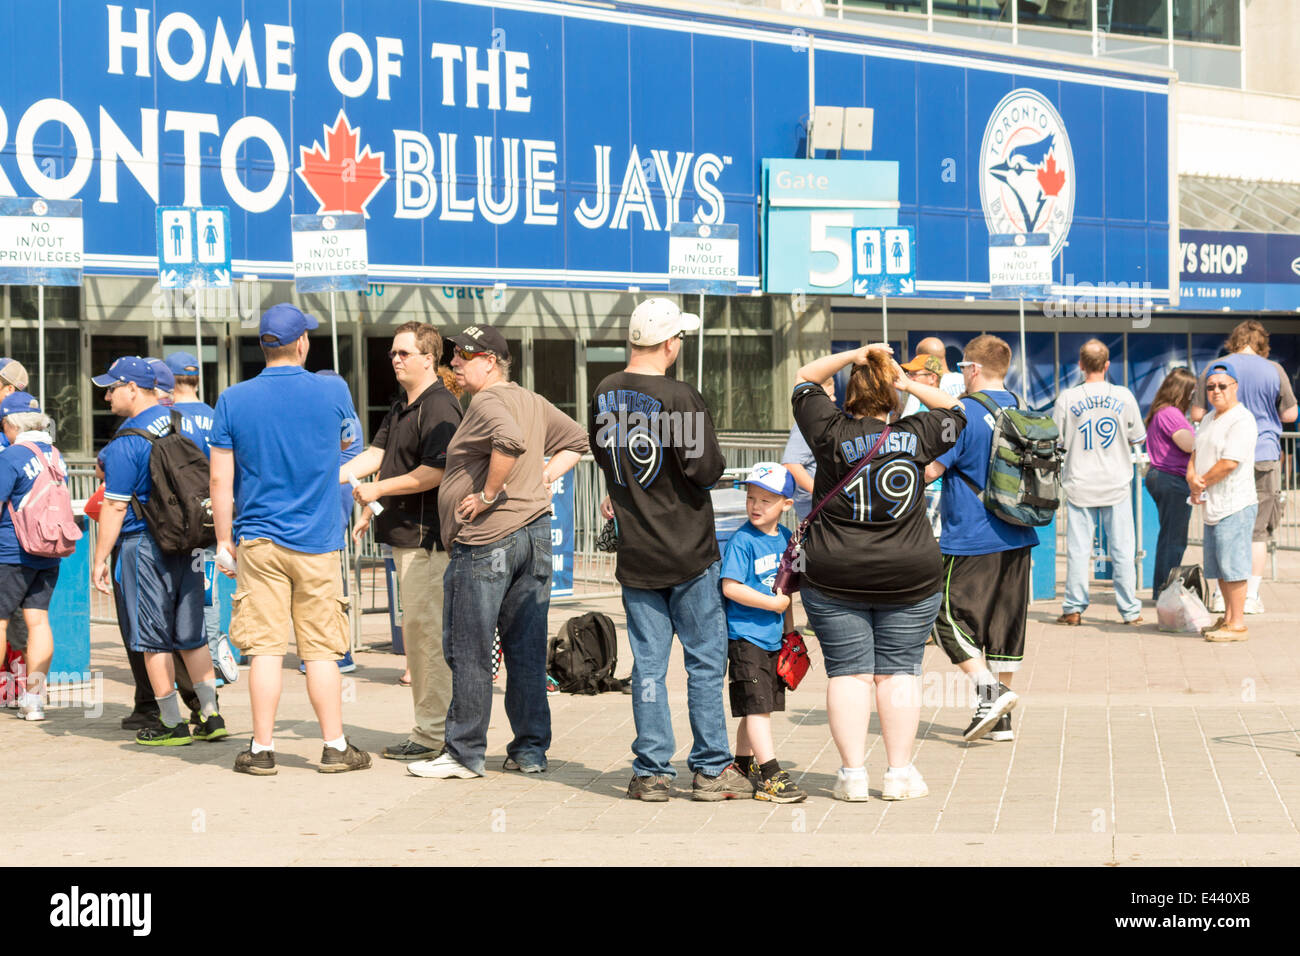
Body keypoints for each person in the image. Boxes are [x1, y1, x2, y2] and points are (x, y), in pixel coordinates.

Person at [406, 325, 587, 780]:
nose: (456, 363)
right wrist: (542, 479)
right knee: (524, 650)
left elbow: (511, 442)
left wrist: (488, 494)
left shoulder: (488, 401)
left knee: (468, 648)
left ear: (491, 361)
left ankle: (463, 753)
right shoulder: (529, 398)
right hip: (533, 536)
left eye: (465, 355)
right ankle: (529, 751)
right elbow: (577, 441)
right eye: (454, 355)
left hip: (489, 541)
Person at [589, 298, 748, 802]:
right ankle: (711, 769)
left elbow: (605, 457)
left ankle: (652, 771)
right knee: (704, 663)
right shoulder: (681, 397)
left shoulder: (606, 392)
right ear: (670, 343)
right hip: (688, 551)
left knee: (650, 667)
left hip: (636, 555)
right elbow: (706, 470)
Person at [793, 343, 964, 801]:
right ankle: (898, 773)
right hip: (909, 574)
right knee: (898, 674)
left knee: (848, 675)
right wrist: (906, 384)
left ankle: (852, 775)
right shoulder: (919, 431)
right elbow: (957, 407)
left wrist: (856, 354)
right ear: (891, 395)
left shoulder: (827, 429)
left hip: (833, 573)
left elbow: (805, 376)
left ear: (848, 391)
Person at [209, 304, 370, 775]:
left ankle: (261, 750)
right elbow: (348, 446)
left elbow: (220, 481)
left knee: (264, 649)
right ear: (302, 343)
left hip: (258, 540)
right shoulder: (331, 389)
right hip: (318, 539)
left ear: (263, 346)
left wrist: (223, 541)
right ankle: (335, 747)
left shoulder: (233, 399)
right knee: (320, 649)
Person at [90, 356, 223, 746]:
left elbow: (114, 506)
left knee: (152, 638)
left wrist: (100, 558)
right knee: (193, 635)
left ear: (133, 388)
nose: (107, 397)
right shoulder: (183, 425)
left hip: (144, 545)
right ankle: (210, 714)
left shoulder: (125, 442)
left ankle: (170, 722)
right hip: (187, 542)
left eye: (112, 389)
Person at [348, 322, 463, 762]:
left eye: (404, 353)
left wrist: (378, 491)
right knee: (417, 637)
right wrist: (330, 478)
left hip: (428, 542)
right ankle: (432, 730)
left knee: (426, 638)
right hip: (406, 540)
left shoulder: (440, 407)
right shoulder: (402, 404)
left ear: (428, 358)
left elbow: (435, 471)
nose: (395, 360)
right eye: (393, 353)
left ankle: (433, 735)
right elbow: (377, 455)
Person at [925, 335, 1035, 744]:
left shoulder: (964, 413)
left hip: (970, 536)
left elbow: (931, 472)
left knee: (945, 617)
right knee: (1004, 627)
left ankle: (992, 693)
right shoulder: (1021, 407)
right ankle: (1001, 720)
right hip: (1020, 533)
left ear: (971, 369)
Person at [1189, 321, 1297, 614]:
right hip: (1263, 453)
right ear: (1263, 344)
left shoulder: (1216, 367)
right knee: (1257, 531)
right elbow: (1290, 414)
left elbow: (1197, 412)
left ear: (1233, 341)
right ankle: (1250, 596)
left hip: (1222, 458)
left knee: (1222, 525)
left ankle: (1221, 597)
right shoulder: (1274, 370)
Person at [721, 462, 805, 803]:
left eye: (766, 500)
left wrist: (790, 632)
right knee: (758, 709)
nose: (756, 506)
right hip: (745, 637)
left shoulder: (786, 539)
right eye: (752, 498)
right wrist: (771, 605)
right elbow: (730, 587)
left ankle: (742, 766)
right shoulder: (743, 540)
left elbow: (787, 593)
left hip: (772, 637)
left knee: (758, 706)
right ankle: (770, 773)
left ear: (786, 504)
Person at [1052, 339, 1146, 626]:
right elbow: (1137, 437)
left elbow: (1056, 439)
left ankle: (1073, 609)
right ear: (1107, 365)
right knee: (1122, 550)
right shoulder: (1124, 396)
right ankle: (1129, 610)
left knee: (1079, 551)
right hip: (1116, 481)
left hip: (1080, 481)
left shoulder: (1067, 398)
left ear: (1080, 365)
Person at [165, 351, 239, 685]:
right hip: (211, 520)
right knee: (207, 592)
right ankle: (213, 663)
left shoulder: (166, 418)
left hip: (175, 523)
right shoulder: (215, 415)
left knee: (174, 596)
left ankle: (192, 668)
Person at [0, 393, 66, 720]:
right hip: (49, 549)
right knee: (38, 621)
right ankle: (34, 698)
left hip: (11, 551)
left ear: (11, 424)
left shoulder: (11, 456)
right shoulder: (54, 454)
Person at [1189, 360, 1258, 642]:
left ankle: (1238, 623)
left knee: (1234, 565)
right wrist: (1191, 476)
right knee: (1218, 566)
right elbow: (1194, 452)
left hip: (1235, 503)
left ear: (1235, 388)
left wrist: (1200, 481)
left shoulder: (1242, 419)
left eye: (1222, 386)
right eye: (1210, 387)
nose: (1216, 391)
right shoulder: (1208, 418)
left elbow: (1229, 463)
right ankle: (1228, 618)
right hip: (1212, 504)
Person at [1142, 368, 1197, 600]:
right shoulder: (1172, 413)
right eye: (1192, 392)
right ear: (1182, 391)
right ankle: (1166, 591)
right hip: (1172, 478)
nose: (1194, 397)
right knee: (1174, 539)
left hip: (1162, 476)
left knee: (1168, 537)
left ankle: (1162, 590)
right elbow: (1187, 444)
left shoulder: (1160, 412)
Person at [781, 378, 833, 523]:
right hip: (815, 511)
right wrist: (824, 495)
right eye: (830, 395)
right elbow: (791, 464)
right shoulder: (807, 426)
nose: (834, 399)